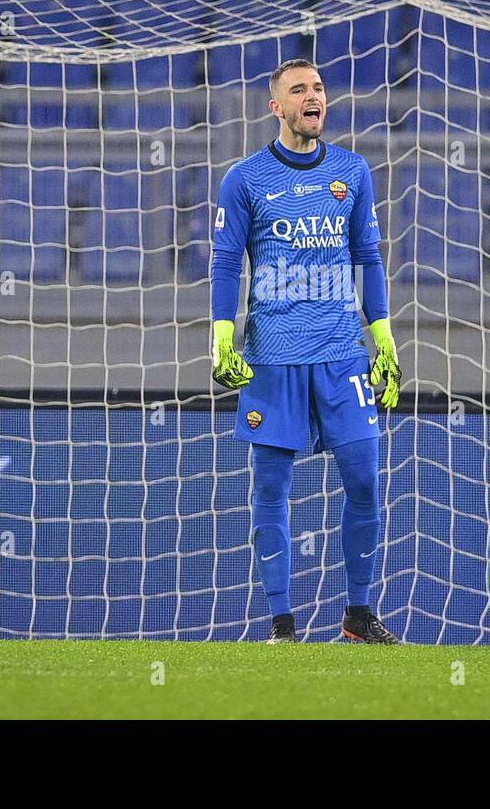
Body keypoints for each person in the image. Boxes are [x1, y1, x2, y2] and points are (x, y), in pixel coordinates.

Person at [209, 58, 402, 645]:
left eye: (318, 87)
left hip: (343, 355)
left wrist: (384, 334)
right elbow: (224, 262)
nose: (314, 96)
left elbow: (368, 258)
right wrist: (221, 332)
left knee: (365, 479)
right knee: (271, 489)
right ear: (277, 107)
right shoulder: (244, 179)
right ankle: (282, 625)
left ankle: (358, 616)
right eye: (300, 90)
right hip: (273, 358)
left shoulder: (352, 171)